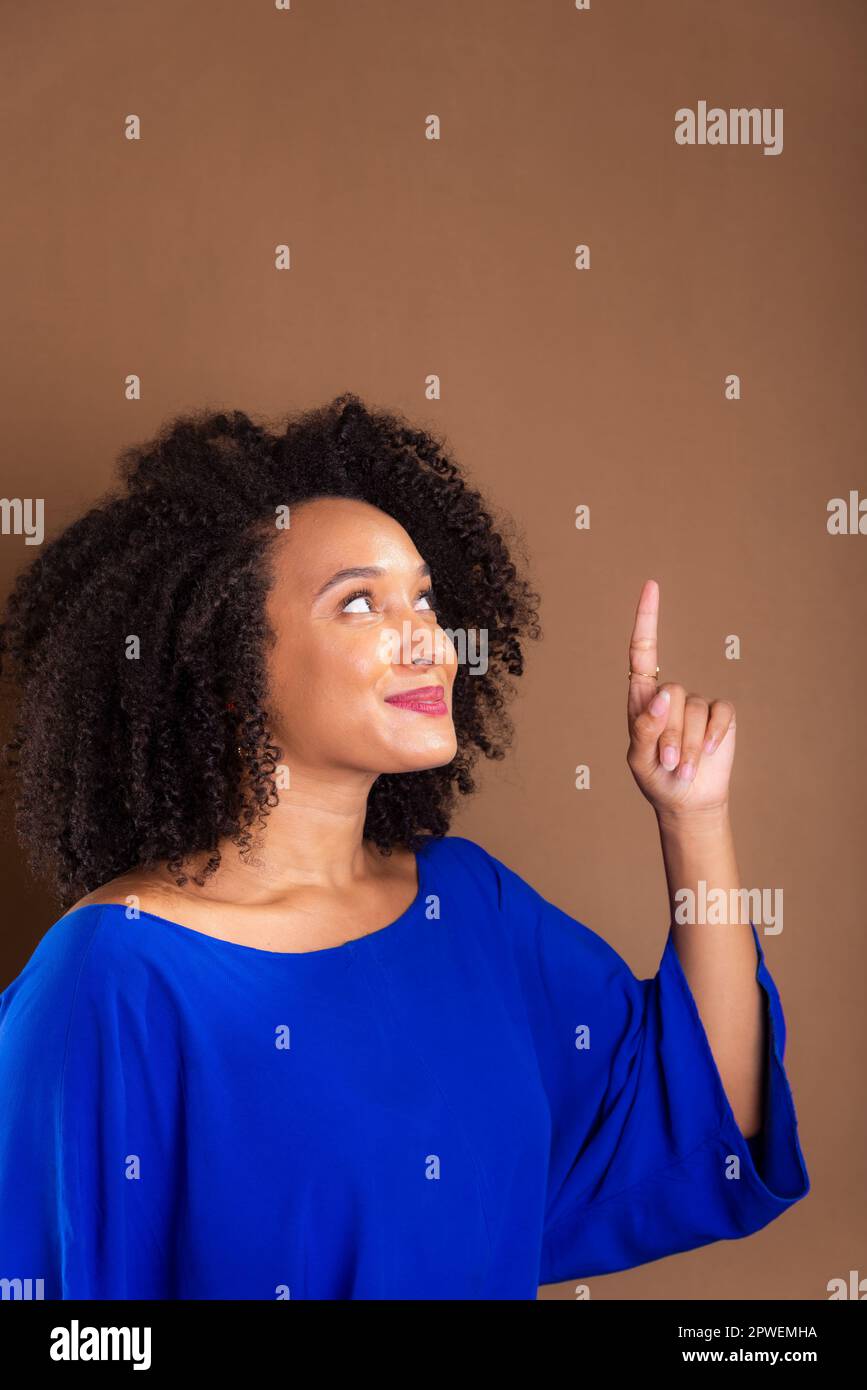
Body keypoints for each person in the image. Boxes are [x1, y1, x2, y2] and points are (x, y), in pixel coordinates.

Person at [0, 395, 809, 1299]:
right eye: (359, 603)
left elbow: (710, 1115)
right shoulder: (115, 974)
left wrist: (690, 818)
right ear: (228, 668)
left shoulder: (469, 907)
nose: (427, 636)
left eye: (423, 596)